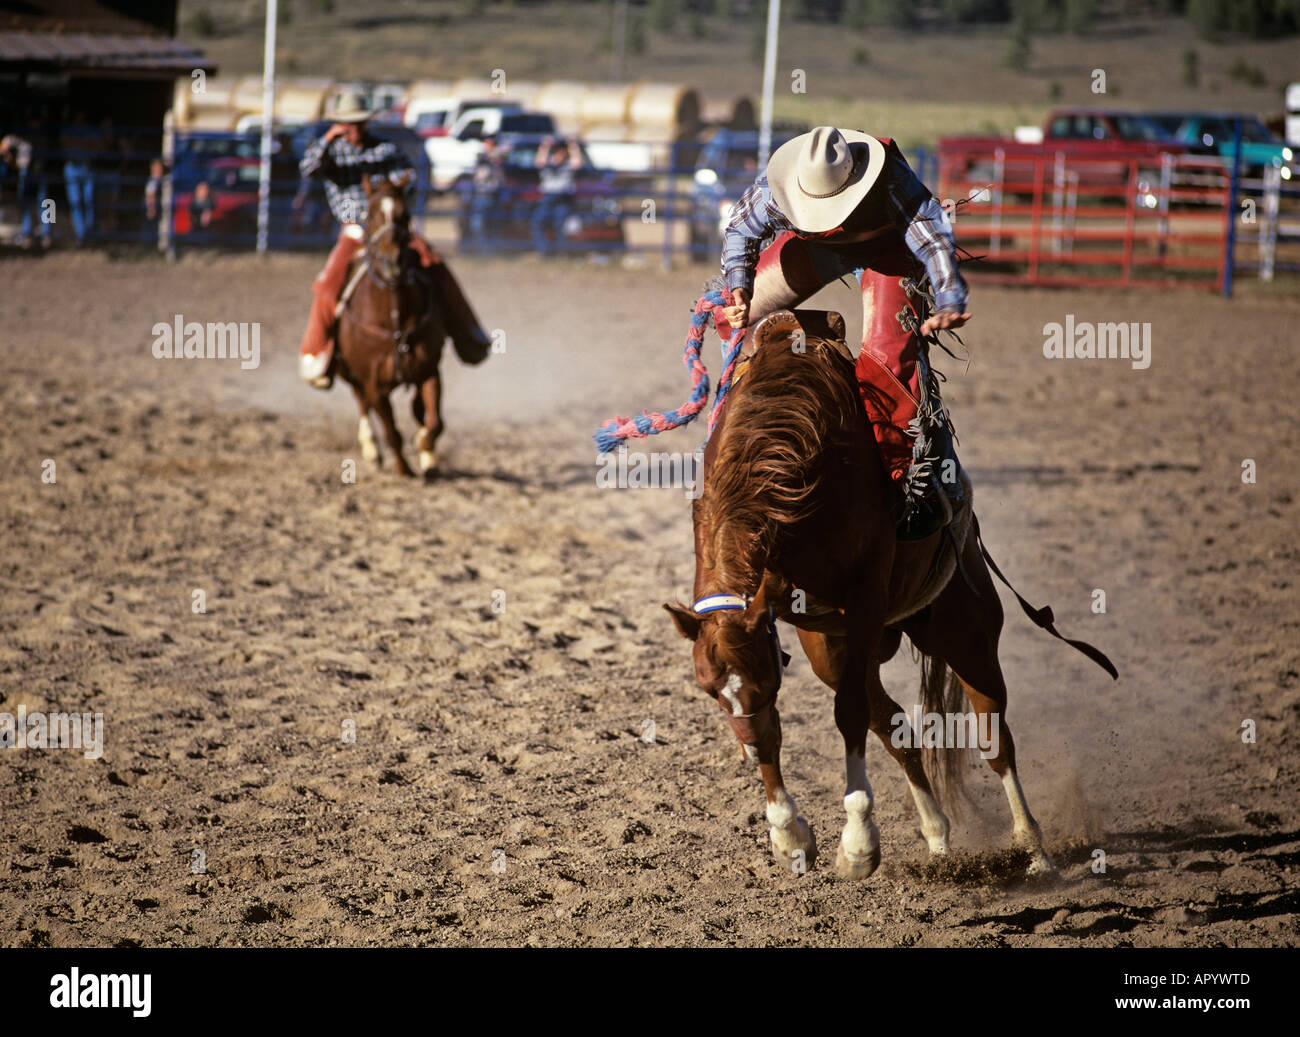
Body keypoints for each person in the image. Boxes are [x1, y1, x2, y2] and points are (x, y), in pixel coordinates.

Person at [720, 126, 970, 541]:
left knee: (888, 365)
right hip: (819, 247)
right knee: (730, 319)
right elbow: (740, 232)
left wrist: (948, 298)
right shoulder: (774, 191)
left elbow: (931, 234)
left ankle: (910, 478)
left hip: (889, 253)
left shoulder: (890, 181)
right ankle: (758, 428)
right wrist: (738, 286)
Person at [297, 97, 490, 388]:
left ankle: (469, 335)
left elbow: (408, 178)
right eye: (348, 124)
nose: (354, 130)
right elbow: (308, 168)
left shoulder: (385, 149)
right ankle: (316, 353)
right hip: (355, 232)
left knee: (435, 266)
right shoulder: (331, 153)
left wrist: (395, 186)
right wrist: (327, 140)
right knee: (327, 285)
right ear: (339, 125)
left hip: (391, 228)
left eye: (359, 123)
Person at [1, 121, 51, 249]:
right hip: (25, 172)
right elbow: (4, 146)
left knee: (46, 203)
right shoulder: (18, 137)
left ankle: (46, 234)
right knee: (26, 204)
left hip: (40, 171)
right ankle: (27, 234)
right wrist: (9, 159)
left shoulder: (42, 137)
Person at [530, 135, 582, 257]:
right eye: (557, 151)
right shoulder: (547, 164)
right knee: (538, 222)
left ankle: (561, 252)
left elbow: (578, 163)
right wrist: (545, 145)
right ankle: (544, 251)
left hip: (563, 198)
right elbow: (539, 162)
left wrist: (573, 146)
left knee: (561, 226)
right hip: (548, 198)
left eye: (562, 151)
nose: (560, 154)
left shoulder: (568, 165)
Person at [59, 110, 100, 244]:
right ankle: (81, 235)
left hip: (87, 166)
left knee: (89, 201)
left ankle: (90, 233)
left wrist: (77, 144)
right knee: (75, 202)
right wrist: (84, 144)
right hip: (72, 167)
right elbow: (66, 144)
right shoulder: (67, 130)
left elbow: (96, 147)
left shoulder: (90, 130)